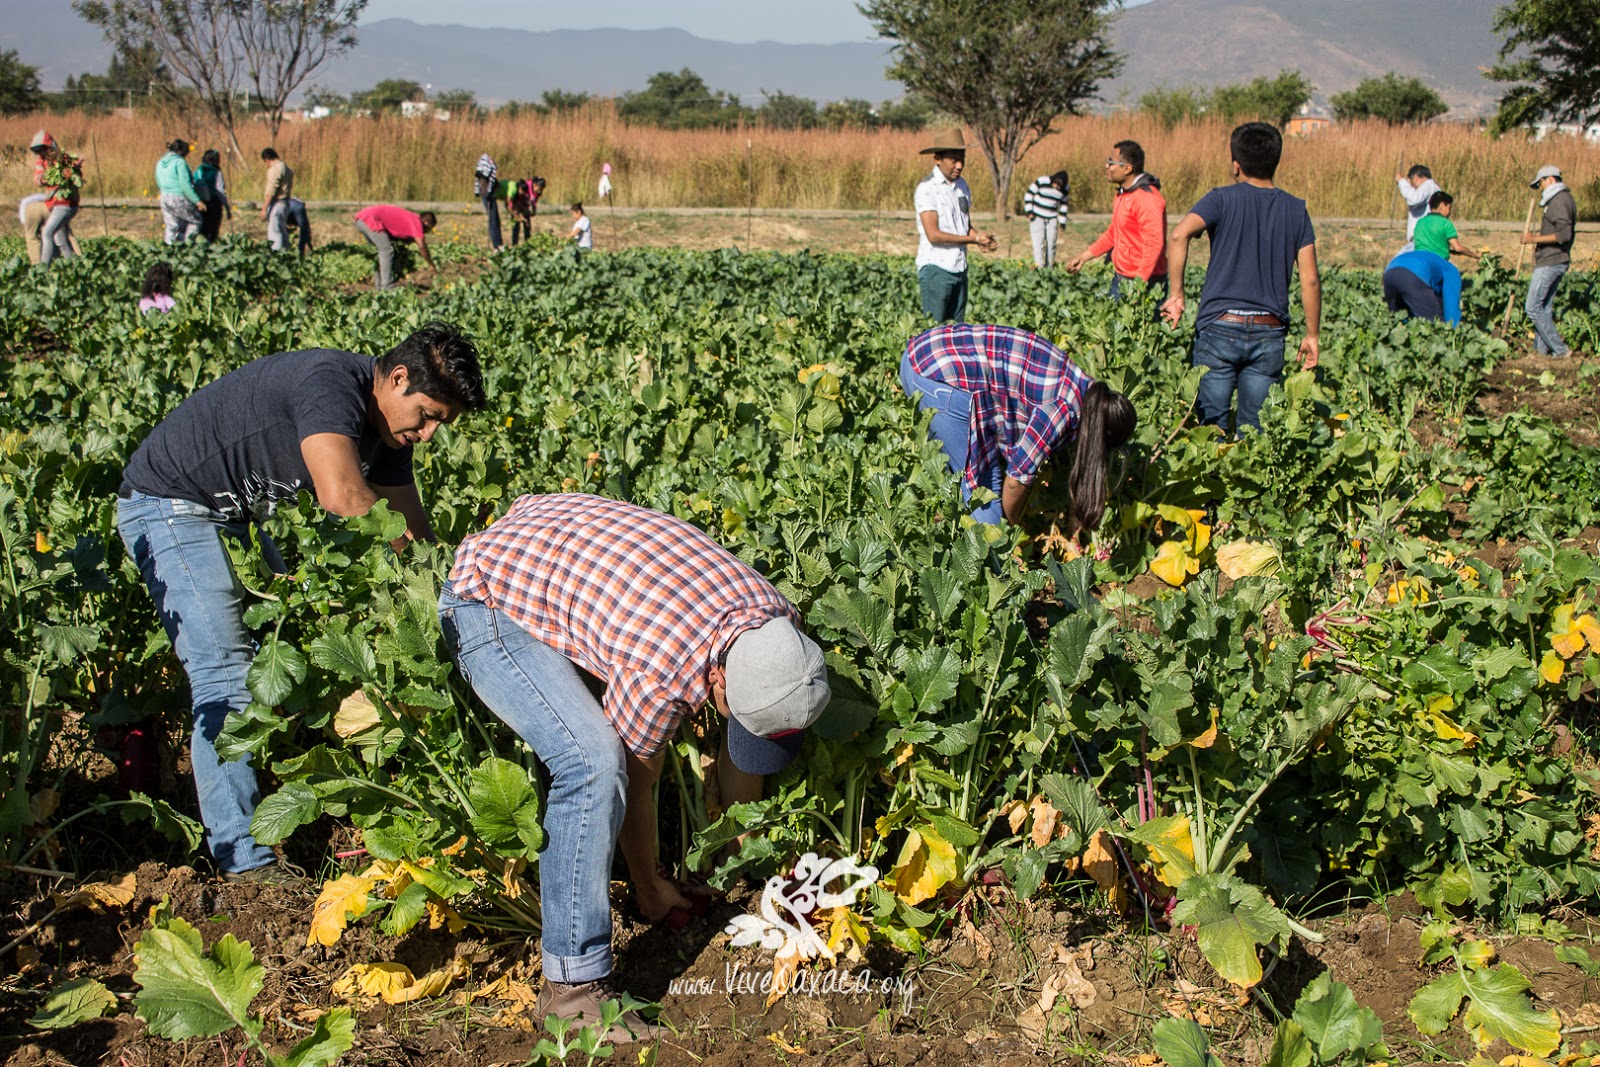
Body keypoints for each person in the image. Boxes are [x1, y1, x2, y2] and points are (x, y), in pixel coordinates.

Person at [439, 492, 830, 1041]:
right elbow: (634, 788)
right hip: (490, 597)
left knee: (608, 753)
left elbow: (743, 745)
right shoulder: (661, 669)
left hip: (556, 535)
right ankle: (570, 991)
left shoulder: (775, 621)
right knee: (594, 765)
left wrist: (742, 861)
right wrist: (649, 886)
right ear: (718, 679)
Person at [116, 324, 486, 883]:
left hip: (236, 516)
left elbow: (416, 536)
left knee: (290, 653)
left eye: (442, 423)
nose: (430, 433)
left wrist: (460, 597)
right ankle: (245, 864)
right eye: (428, 414)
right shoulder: (331, 383)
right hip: (170, 502)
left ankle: (281, 803)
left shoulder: (387, 435)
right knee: (227, 676)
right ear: (398, 378)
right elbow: (343, 499)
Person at [1162, 122, 1320, 435]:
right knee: (1255, 435)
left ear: (1236, 165)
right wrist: (1312, 334)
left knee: (1210, 431)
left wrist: (1176, 294)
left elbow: (1179, 235)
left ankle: (1213, 481)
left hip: (1219, 325)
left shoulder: (1220, 199)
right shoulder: (1296, 210)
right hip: (1269, 330)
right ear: (1276, 161)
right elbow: (1311, 280)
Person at [899, 324, 1137, 529]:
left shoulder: (1085, 388)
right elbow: (1015, 481)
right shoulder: (1062, 411)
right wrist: (1012, 531)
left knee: (984, 478)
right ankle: (982, 569)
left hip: (920, 354)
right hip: (936, 376)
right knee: (985, 508)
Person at [1065, 140, 1169, 301]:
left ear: (1127, 168)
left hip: (1147, 283)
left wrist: (1139, 284)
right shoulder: (1123, 194)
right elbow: (1113, 233)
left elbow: (1154, 244)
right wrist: (1084, 257)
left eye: (1111, 162)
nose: (1107, 166)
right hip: (1122, 279)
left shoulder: (1147, 199)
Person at [914, 128, 996, 323]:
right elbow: (933, 235)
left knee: (956, 333)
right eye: (954, 160)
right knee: (935, 333)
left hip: (960, 267)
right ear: (938, 159)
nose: (960, 165)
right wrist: (973, 239)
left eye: (963, 159)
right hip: (937, 268)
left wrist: (979, 238)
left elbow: (964, 224)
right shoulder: (927, 189)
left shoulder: (962, 186)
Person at [1523, 164, 1577, 359]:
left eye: (1541, 183)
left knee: (1532, 307)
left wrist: (1534, 239)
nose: (1540, 188)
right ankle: (1540, 354)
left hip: (1552, 260)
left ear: (1551, 179)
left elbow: (1564, 234)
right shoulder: (1559, 200)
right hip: (1553, 259)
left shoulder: (1560, 201)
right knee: (1543, 308)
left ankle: (1560, 350)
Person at [353, 204, 437, 290]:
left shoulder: (411, 217)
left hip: (361, 219)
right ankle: (388, 286)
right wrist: (430, 263)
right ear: (427, 223)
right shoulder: (417, 222)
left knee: (380, 253)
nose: (427, 232)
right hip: (370, 219)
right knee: (386, 250)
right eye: (429, 229)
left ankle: (379, 286)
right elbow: (422, 246)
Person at [32, 130, 83, 266]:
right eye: (39, 151)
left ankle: (43, 268)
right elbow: (37, 179)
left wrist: (74, 168)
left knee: (47, 233)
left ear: (50, 147)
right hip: (54, 205)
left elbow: (74, 170)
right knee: (59, 239)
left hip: (66, 204)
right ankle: (75, 267)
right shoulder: (40, 161)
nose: (42, 154)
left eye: (44, 150)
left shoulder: (63, 159)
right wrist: (47, 178)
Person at [1382, 249, 1461, 326]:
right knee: (1433, 325)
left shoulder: (1437, 263)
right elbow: (1451, 304)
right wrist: (1453, 329)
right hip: (1413, 275)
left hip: (1389, 273)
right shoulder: (1452, 271)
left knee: (1399, 322)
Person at [156, 139, 205, 245]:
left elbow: (159, 181)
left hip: (164, 197)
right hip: (178, 197)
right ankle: (187, 246)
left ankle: (169, 248)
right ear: (180, 151)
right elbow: (185, 185)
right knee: (195, 221)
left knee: (171, 225)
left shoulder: (161, 162)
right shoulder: (180, 162)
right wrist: (197, 201)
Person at [1411, 192, 1480, 264]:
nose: (1450, 212)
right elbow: (1457, 248)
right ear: (1442, 206)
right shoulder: (1445, 223)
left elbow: (1430, 247)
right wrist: (1475, 255)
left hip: (1419, 262)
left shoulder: (1420, 222)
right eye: (1449, 208)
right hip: (1438, 264)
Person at [1023, 171, 1069, 269]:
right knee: (1038, 242)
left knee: (1051, 242)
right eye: (1056, 184)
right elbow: (1029, 194)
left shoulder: (1065, 189)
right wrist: (1029, 211)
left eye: (1060, 186)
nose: (1057, 187)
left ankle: (1050, 267)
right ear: (1053, 180)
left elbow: (1064, 204)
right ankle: (1038, 266)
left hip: (1052, 217)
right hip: (1037, 216)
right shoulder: (1042, 181)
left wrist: (1062, 221)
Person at [192, 149, 231, 242]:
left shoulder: (198, 170)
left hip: (199, 204)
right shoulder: (217, 173)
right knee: (212, 232)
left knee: (201, 231)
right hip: (213, 204)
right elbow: (220, 191)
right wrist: (227, 207)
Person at [260, 147, 294, 251]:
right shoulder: (287, 168)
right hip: (286, 203)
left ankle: (277, 256)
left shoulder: (275, 169)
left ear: (267, 159)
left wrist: (264, 209)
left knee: (275, 233)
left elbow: (271, 190)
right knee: (283, 231)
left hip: (277, 204)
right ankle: (286, 254)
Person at [1396, 164, 1440, 241]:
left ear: (1415, 179)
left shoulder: (1427, 187)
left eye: (1411, 183)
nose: (1413, 187)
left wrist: (1401, 182)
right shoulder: (1433, 188)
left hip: (1423, 239)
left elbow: (1414, 199)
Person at [474, 151, 503, 252]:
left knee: (495, 219)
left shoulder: (488, 162)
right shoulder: (485, 162)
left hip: (490, 194)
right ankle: (496, 246)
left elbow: (490, 178)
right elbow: (482, 177)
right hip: (488, 195)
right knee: (493, 220)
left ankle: (499, 244)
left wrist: (496, 185)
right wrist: (487, 193)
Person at [508, 176, 545, 246]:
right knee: (516, 227)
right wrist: (518, 213)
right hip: (516, 206)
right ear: (534, 185)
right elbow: (517, 198)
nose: (539, 191)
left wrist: (533, 211)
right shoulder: (526, 186)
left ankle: (527, 245)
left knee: (527, 226)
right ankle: (514, 245)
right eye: (539, 189)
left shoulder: (537, 191)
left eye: (541, 190)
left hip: (525, 208)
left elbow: (534, 201)